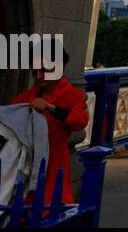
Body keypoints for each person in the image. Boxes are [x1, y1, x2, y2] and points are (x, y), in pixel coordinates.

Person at [11, 53, 89, 205]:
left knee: (50, 207)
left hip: (54, 162)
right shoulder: (27, 96)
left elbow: (81, 120)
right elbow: (4, 115)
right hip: (27, 164)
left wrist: (52, 108)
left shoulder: (71, 95)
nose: (38, 76)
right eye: (34, 71)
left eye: (44, 70)